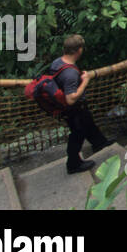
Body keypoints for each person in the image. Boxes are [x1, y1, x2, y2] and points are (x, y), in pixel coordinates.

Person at [47, 34, 113, 174]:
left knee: (88, 122)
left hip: (72, 107)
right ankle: (73, 164)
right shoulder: (70, 73)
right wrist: (85, 80)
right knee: (77, 133)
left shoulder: (58, 62)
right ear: (79, 50)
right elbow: (71, 98)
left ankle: (99, 143)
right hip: (73, 108)